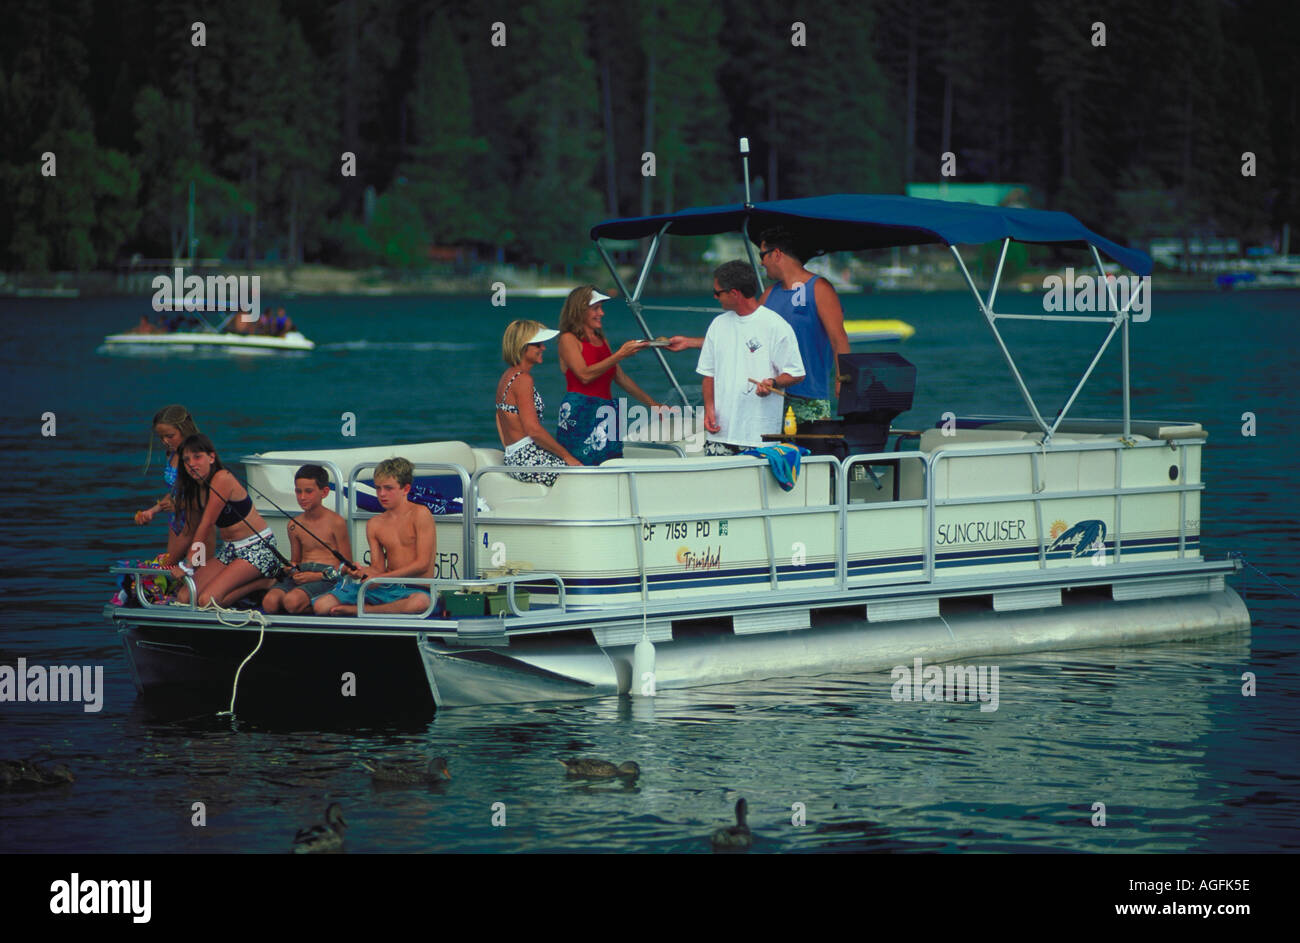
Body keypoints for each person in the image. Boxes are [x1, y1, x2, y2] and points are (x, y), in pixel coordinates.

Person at [696, 260, 805, 455]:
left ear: (734, 293)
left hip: (759, 437)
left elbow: (796, 373)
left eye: (718, 292)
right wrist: (709, 409)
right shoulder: (717, 325)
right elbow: (708, 374)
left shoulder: (775, 325)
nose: (714, 297)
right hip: (719, 434)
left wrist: (773, 382)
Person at [168, 434, 281, 607]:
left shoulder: (222, 478)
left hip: (257, 548)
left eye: (197, 457)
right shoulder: (196, 489)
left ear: (211, 457)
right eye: (186, 460)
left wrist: (189, 563)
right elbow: (192, 530)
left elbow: (207, 523)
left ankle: (264, 583)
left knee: (207, 601)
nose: (192, 464)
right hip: (230, 550)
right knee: (185, 597)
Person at [314, 457, 435, 616]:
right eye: (378, 488)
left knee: (421, 603)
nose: (382, 494)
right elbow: (377, 568)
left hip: (414, 588)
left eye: (388, 488)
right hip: (383, 588)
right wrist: (360, 571)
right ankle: (368, 610)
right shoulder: (374, 523)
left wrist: (382, 578)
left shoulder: (421, 514)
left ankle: (362, 610)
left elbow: (422, 564)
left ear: (405, 489)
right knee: (321, 605)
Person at [755, 227, 851, 423]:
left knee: (812, 452)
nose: (761, 262)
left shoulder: (819, 288)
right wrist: (693, 342)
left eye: (762, 255)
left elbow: (838, 338)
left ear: (776, 254)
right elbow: (747, 336)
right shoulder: (768, 295)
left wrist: (843, 380)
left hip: (809, 398)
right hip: (771, 397)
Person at [555, 286, 659, 465]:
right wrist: (620, 354)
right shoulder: (568, 339)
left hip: (605, 410)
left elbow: (620, 377)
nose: (601, 313)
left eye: (601, 308)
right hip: (580, 412)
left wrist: (653, 404)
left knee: (611, 461)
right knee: (581, 463)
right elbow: (584, 375)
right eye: (596, 308)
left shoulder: (602, 340)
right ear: (580, 310)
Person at [495, 319, 581, 486]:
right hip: (527, 458)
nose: (543, 348)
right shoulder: (523, 379)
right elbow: (533, 430)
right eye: (538, 344)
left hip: (514, 457)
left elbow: (499, 417)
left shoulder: (507, 376)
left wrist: (512, 449)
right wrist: (567, 457)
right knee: (582, 476)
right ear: (522, 346)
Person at [261, 465, 352, 614]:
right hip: (303, 574)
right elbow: (295, 560)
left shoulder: (336, 522)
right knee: (269, 603)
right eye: (298, 491)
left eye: (309, 491)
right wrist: (291, 568)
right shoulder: (293, 525)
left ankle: (319, 608)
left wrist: (317, 576)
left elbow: (346, 565)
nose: (302, 497)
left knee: (291, 602)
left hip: (327, 576)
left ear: (325, 492)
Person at [134, 405, 214, 567]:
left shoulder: (196, 460)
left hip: (197, 524)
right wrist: (153, 511)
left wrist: (179, 505)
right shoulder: (172, 455)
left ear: (184, 430)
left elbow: (207, 499)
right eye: (161, 437)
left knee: (194, 570)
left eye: (170, 436)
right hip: (176, 521)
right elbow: (175, 491)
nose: (165, 441)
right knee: (173, 569)